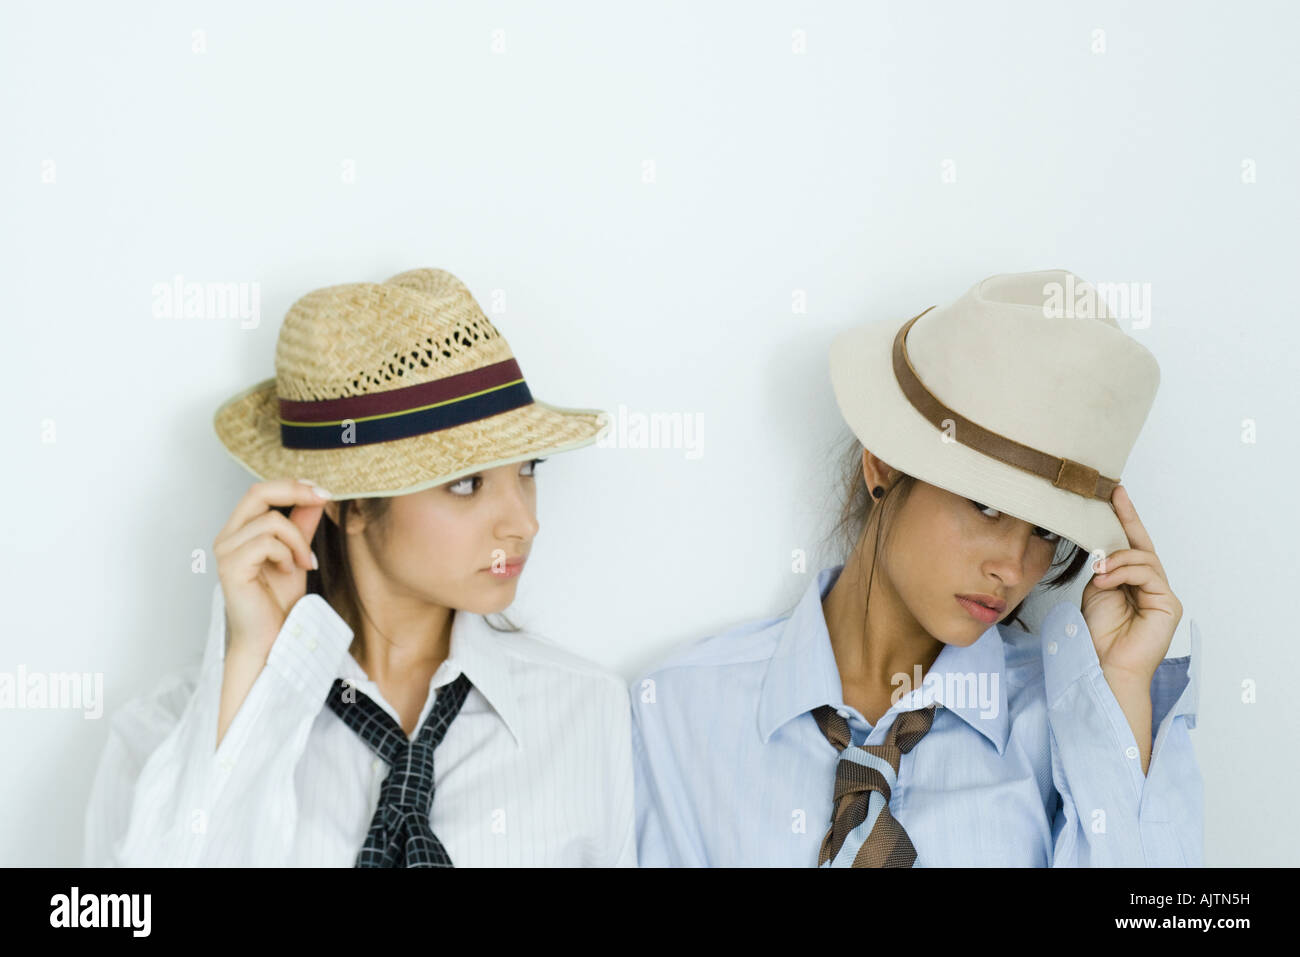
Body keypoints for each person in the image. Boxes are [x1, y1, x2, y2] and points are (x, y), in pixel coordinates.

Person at [631, 269, 1202, 867]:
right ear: (881, 464)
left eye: (1045, 532)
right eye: (986, 507)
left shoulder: (1071, 719)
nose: (1012, 567)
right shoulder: (681, 710)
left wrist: (1122, 696)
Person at [84, 267, 635, 867]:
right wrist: (251, 668)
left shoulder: (585, 711)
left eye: (528, 470)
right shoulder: (166, 731)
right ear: (346, 505)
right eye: (467, 483)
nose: (523, 524)